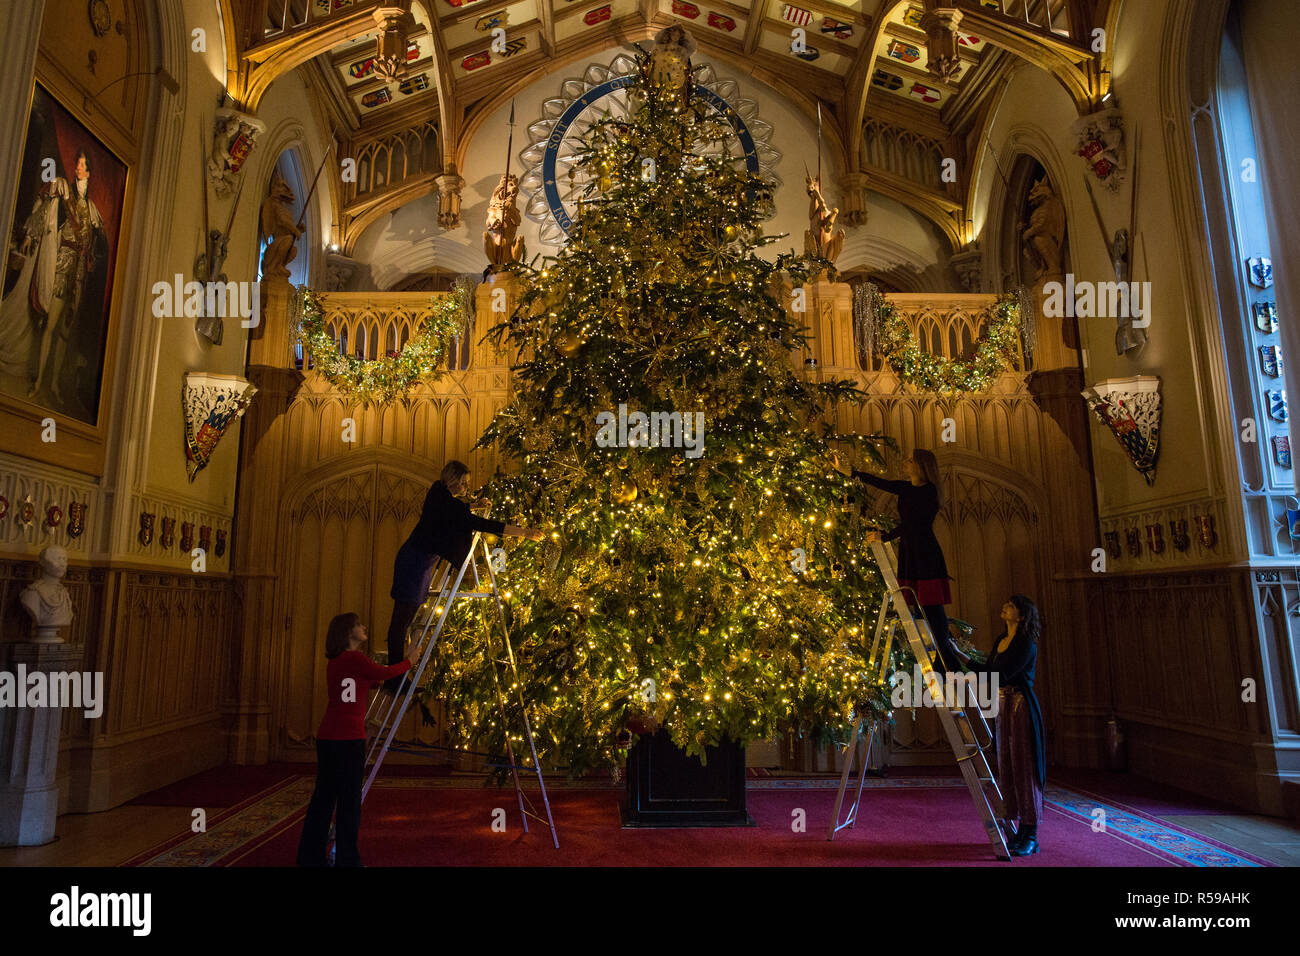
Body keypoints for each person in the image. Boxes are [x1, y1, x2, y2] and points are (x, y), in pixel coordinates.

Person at [384, 460, 545, 694]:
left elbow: (454, 511)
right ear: (455, 481)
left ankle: (395, 675)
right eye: (465, 483)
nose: (467, 487)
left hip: (415, 559)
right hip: (416, 564)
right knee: (402, 620)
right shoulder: (450, 505)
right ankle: (394, 678)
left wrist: (472, 504)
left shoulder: (436, 492)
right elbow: (485, 524)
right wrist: (524, 532)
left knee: (404, 620)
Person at [296, 612, 419, 867]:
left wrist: (375, 681)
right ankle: (347, 860)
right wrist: (410, 661)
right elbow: (384, 672)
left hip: (328, 737)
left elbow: (364, 681)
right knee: (349, 802)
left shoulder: (339, 660)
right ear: (348, 632)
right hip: (348, 739)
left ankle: (311, 856)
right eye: (359, 625)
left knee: (324, 798)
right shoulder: (356, 659)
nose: (364, 627)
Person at [839, 449, 959, 673]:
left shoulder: (929, 492)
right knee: (920, 607)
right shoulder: (906, 488)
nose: (906, 462)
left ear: (921, 467)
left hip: (924, 554)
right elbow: (881, 482)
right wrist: (851, 473)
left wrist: (884, 536)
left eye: (911, 460)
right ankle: (944, 659)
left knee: (932, 609)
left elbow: (914, 524)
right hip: (910, 551)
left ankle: (946, 659)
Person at [980, 594, 1046, 857]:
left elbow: (1002, 674)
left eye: (1011, 606)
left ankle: (1031, 834)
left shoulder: (1026, 644)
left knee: (1024, 766)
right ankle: (1019, 829)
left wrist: (971, 670)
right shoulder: (1000, 640)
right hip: (1003, 706)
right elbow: (989, 671)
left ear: (1021, 615)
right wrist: (962, 659)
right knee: (1006, 764)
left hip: (1020, 707)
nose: (1004, 607)